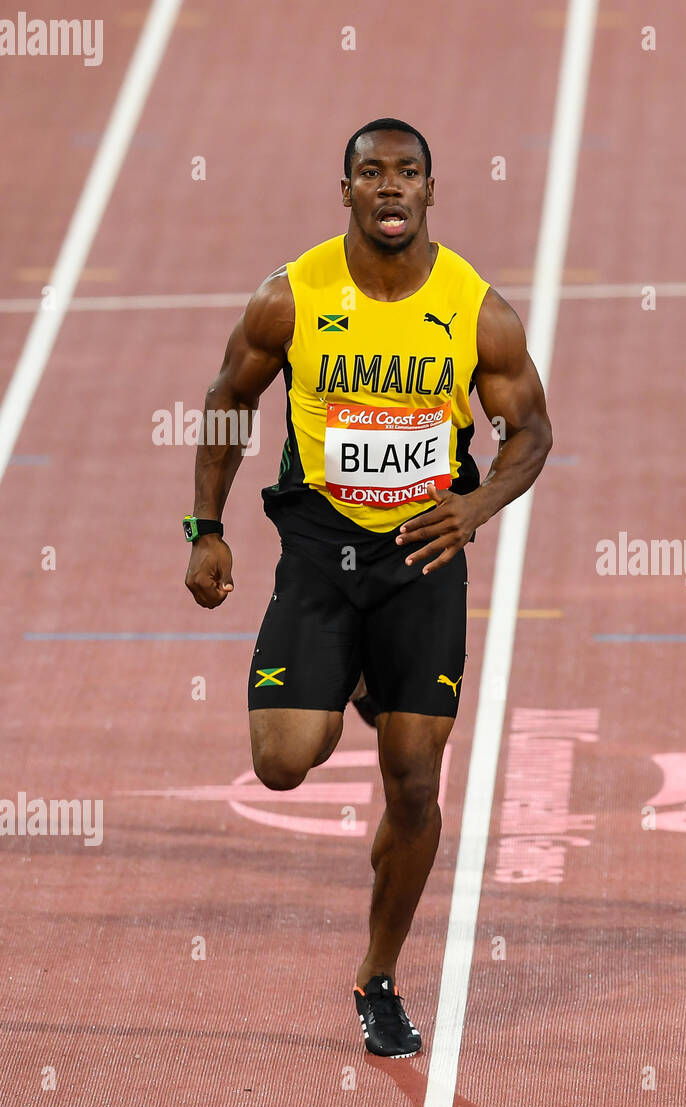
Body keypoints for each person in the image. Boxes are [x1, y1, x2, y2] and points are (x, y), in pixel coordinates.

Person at [183, 118, 552, 1056]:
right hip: (318, 554)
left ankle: (379, 975)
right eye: (372, 174)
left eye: (409, 174)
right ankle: (347, 678)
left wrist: (475, 511)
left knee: (415, 783)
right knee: (280, 761)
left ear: (434, 190)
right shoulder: (292, 297)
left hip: (423, 558)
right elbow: (231, 397)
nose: (391, 189)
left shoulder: (477, 310)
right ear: (343, 189)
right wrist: (207, 529)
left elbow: (532, 432)